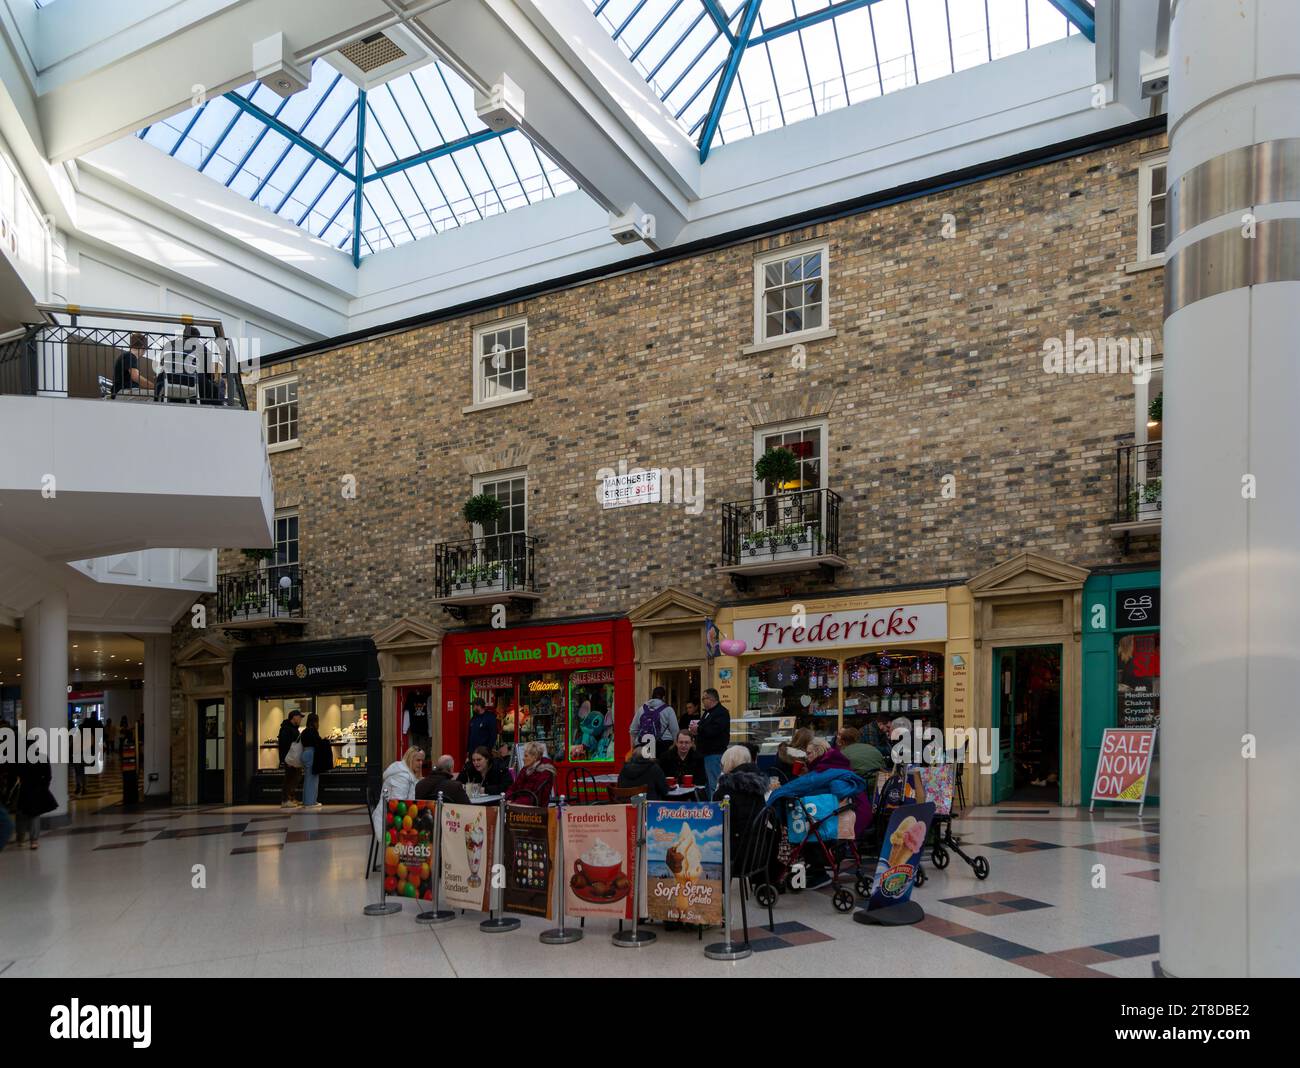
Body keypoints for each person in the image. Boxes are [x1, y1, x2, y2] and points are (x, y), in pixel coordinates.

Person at [713, 744, 770, 869]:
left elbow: (717, 826)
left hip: (737, 855)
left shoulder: (725, 791)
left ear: (729, 763)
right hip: (759, 850)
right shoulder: (758, 786)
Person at [15, 733, 57, 850]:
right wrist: (44, 787)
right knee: (34, 815)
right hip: (37, 790)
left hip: (24, 790)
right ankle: (34, 841)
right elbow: (48, 775)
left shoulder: (21, 758)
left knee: (21, 814)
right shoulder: (42, 757)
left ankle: (21, 838)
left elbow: (16, 774)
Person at [372, 746, 424, 839]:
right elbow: (398, 805)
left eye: (422, 761)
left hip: (391, 819)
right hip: (388, 824)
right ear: (410, 759)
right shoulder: (402, 777)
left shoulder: (406, 772)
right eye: (418, 760)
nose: (420, 763)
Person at [693, 688, 730, 797]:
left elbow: (714, 730)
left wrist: (698, 729)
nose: (702, 701)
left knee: (714, 783)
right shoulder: (708, 712)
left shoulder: (721, 712)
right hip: (705, 753)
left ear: (711, 699)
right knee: (708, 783)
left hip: (714, 753)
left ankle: (716, 807)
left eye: (703, 698)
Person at [505, 741, 556, 806]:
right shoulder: (525, 769)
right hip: (519, 806)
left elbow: (536, 797)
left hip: (535, 811)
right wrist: (508, 798)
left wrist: (514, 803)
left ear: (534, 757)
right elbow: (514, 787)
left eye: (526, 756)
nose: (523, 758)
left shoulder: (545, 772)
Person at [629, 686, 678, 750]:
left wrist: (633, 746)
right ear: (663, 697)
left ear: (652, 695)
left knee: (646, 760)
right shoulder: (668, 709)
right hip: (663, 744)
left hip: (644, 743)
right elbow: (675, 730)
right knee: (662, 759)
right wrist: (675, 746)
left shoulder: (641, 709)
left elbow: (633, 730)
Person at [299, 712, 331, 809]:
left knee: (307, 779)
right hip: (311, 754)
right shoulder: (313, 731)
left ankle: (306, 801)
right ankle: (310, 802)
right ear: (315, 721)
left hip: (304, 753)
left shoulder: (304, 731)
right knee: (312, 779)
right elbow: (318, 742)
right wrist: (326, 740)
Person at [111, 332, 156, 398]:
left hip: (123, 391)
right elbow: (135, 376)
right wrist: (154, 387)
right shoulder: (130, 356)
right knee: (157, 395)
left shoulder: (127, 356)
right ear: (143, 348)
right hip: (123, 392)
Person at [278, 707, 304, 809]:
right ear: (294, 717)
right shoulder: (286, 729)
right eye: (299, 717)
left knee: (296, 777)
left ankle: (291, 798)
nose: (301, 719)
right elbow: (283, 745)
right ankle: (285, 800)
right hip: (289, 759)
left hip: (295, 759)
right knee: (289, 778)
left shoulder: (294, 729)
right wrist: (285, 759)